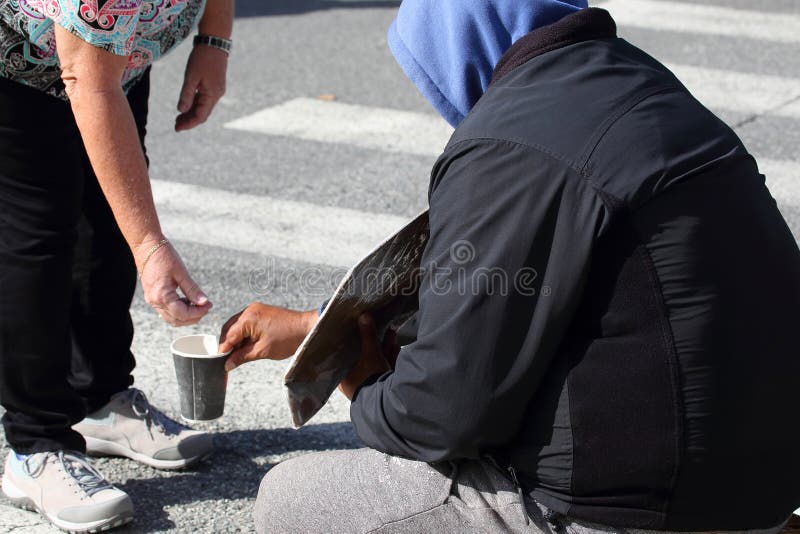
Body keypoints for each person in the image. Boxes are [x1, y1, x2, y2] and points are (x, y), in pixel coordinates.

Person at [220, 0, 800, 532]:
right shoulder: (639, 83)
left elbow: (441, 415)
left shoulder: (510, 141)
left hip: (637, 512)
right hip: (760, 492)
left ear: (451, 33)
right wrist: (311, 325)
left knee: (293, 497)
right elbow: (527, 285)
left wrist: (365, 385)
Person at [0, 1, 232, 531]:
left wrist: (213, 41)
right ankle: (35, 448)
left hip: (114, 52)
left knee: (106, 215)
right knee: (38, 233)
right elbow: (89, 79)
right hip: (17, 55)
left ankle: (100, 399)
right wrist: (151, 248)